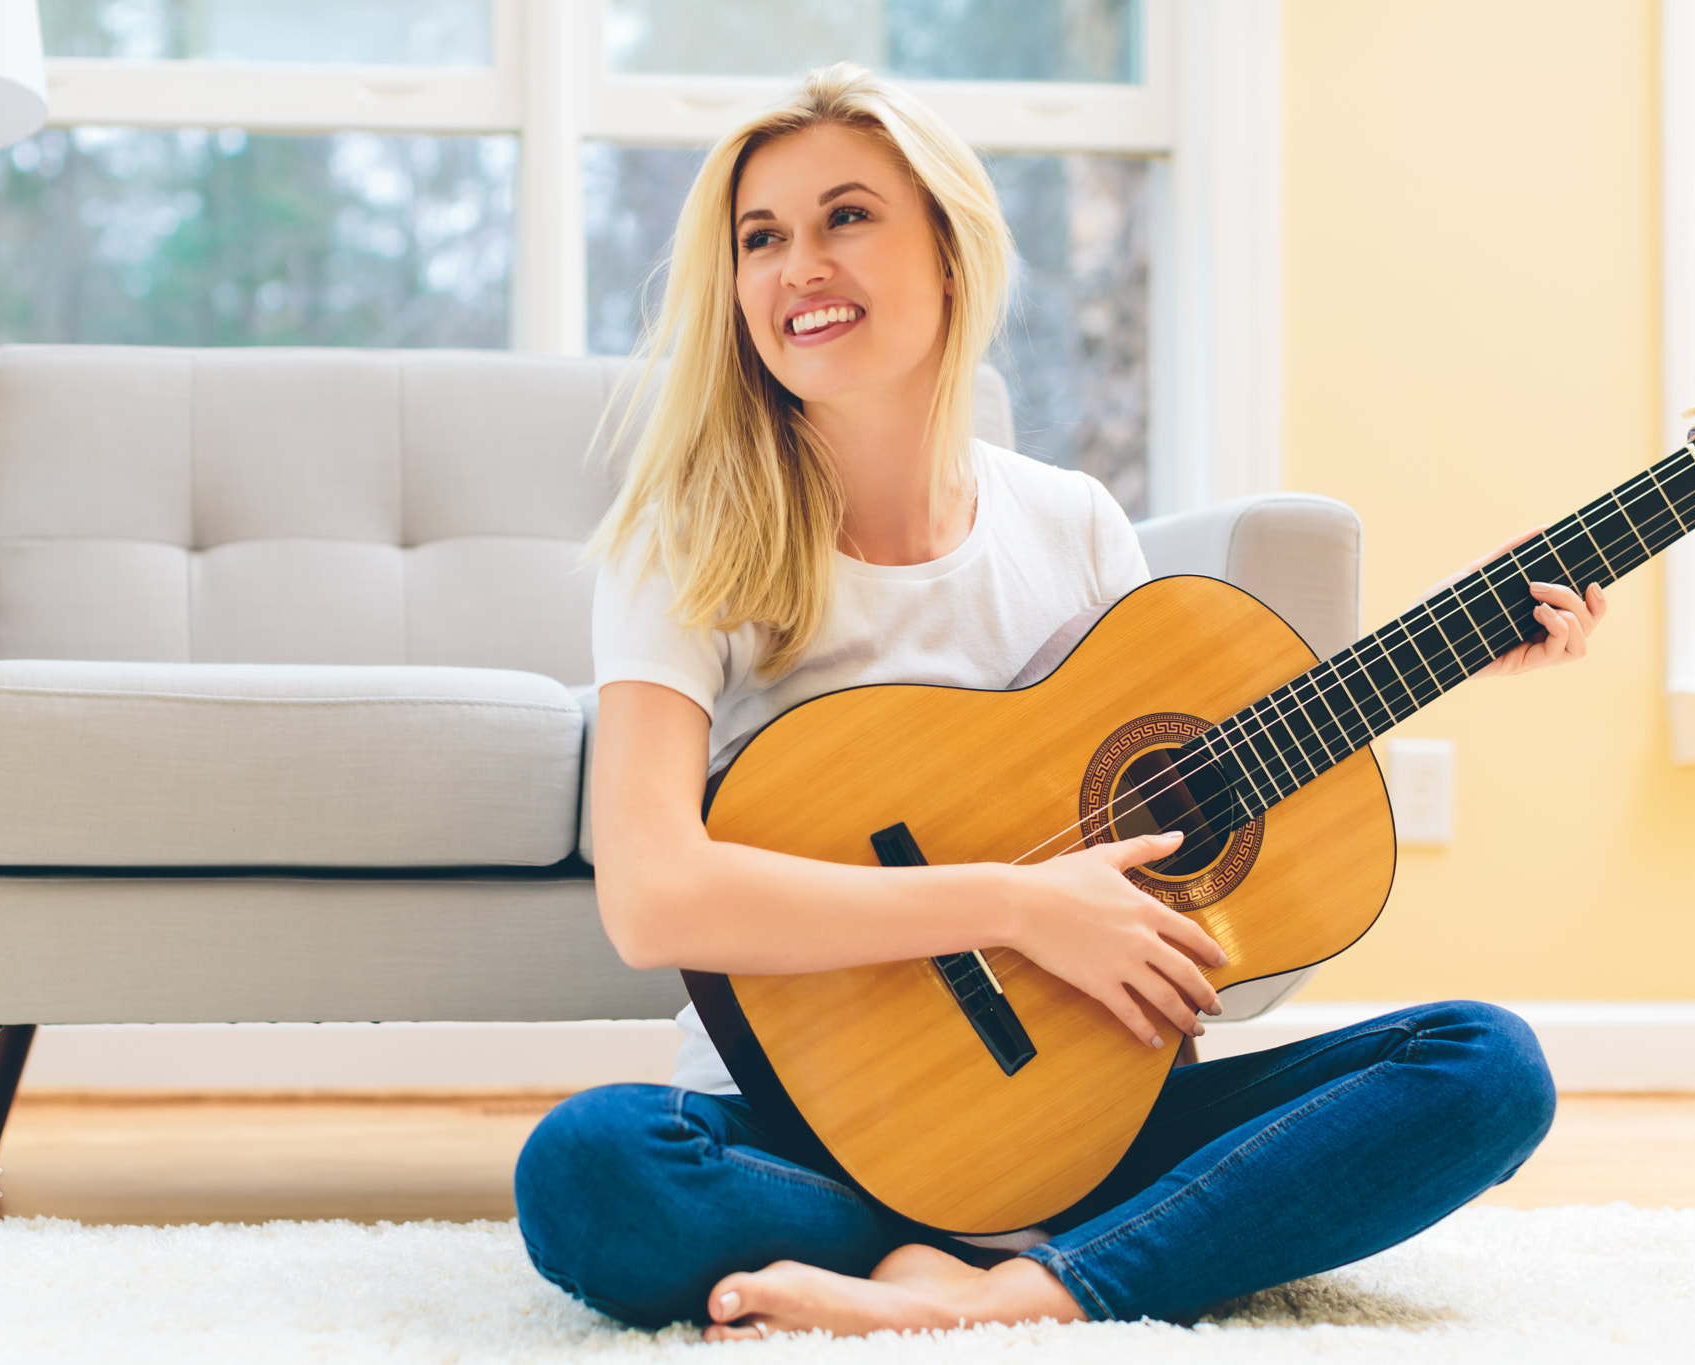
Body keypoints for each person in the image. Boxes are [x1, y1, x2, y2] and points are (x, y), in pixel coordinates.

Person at [515, 63, 1596, 1339]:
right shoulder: (684, 548)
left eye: (845, 217)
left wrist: (1459, 649)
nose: (795, 264)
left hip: (1081, 1120)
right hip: (806, 1130)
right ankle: (1068, 1262)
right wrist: (1019, 904)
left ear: (952, 254)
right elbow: (652, 897)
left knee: (1484, 1067)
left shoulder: (1072, 523)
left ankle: (991, 1299)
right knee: (590, 1168)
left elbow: (1197, 827)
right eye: (761, 238)